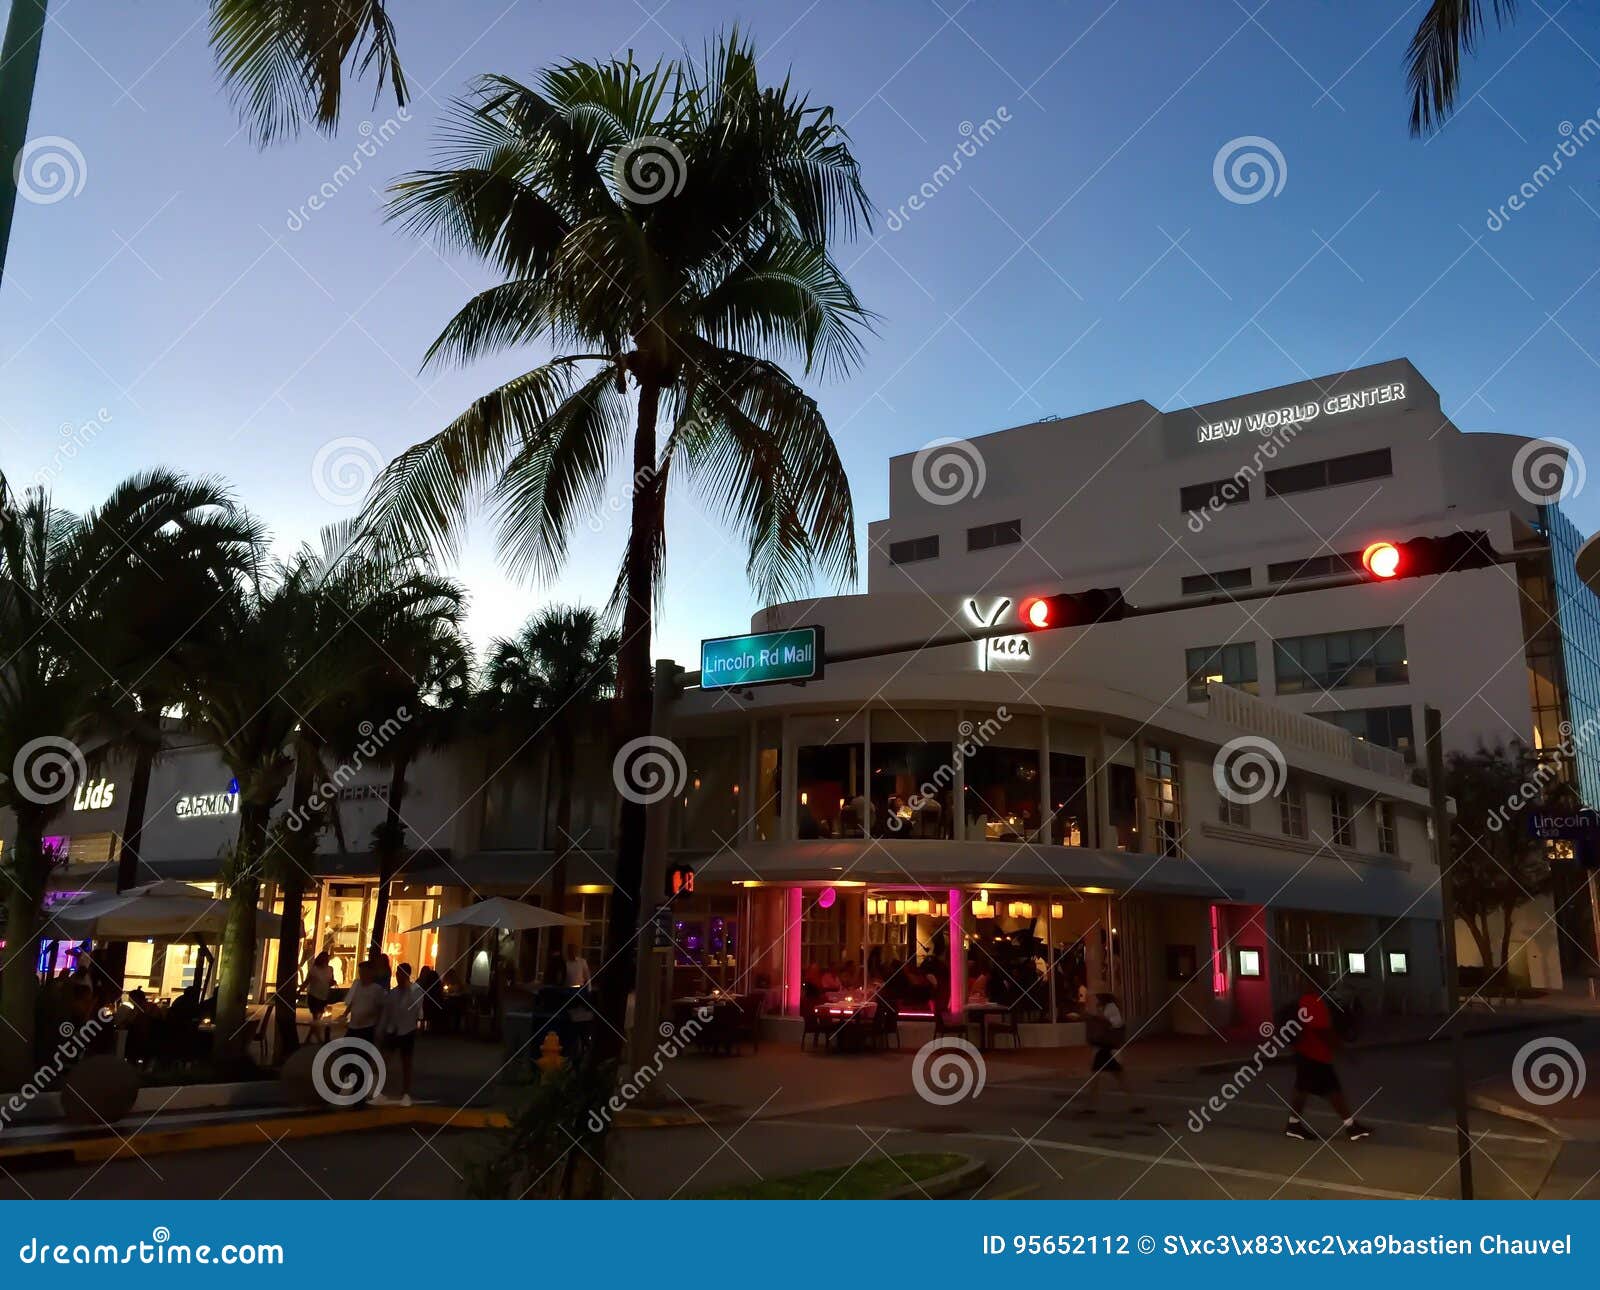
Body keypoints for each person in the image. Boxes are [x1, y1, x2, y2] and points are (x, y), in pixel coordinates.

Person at [1284, 971, 1371, 1141]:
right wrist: (1342, 1050)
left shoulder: (1307, 1001)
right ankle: (1350, 1127)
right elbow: (1322, 1031)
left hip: (1306, 1054)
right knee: (1332, 1091)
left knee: (1304, 1089)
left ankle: (1294, 1125)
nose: (1324, 983)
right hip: (1314, 1055)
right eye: (1320, 979)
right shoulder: (1312, 1002)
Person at [1081, 992, 1141, 1113]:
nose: (1097, 1000)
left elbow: (1112, 1023)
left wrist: (1091, 1017)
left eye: (1098, 998)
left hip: (1107, 1049)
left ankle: (1091, 1106)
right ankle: (1133, 1104)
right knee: (1114, 1077)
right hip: (1105, 1049)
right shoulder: (1107, 1009)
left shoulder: (1111, 1008)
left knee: (1107, 1077)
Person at [375, 962, 424, 1106]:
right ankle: (379, 1092)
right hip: (393, 1029)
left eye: (401, 974)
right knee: (385, 1060)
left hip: (407, 1030)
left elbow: (417, 1010)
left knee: (406, 1063)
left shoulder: (415, 991)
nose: (398, 976)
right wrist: (381, 1029)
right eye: (397, 973)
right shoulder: (393, 993)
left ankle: (406, 1093)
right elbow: (387, 1012)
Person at [342, 959, 386, 1047]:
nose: (361, 975)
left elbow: (381, 1008)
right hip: (353, 1025)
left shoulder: (376, 989)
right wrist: (345, 1014)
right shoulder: (356, 984)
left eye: (364, 972)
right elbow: (352, 1001)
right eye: (360, 972)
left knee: (363, 1050)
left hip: (367, 1026)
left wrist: (379, 1026)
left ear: (370, 973)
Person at [304, 952, 335, 1043]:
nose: (327, 961)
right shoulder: (314, 969)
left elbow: (330, 981)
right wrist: (299, 991)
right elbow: (307, 981)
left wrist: (332, 982)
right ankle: (320, 1040)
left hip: (324, 996)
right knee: (316, 1019)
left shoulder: (330, 969)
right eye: (326, 959)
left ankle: (308, 1039)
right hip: (314, 996)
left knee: (317, 1020)